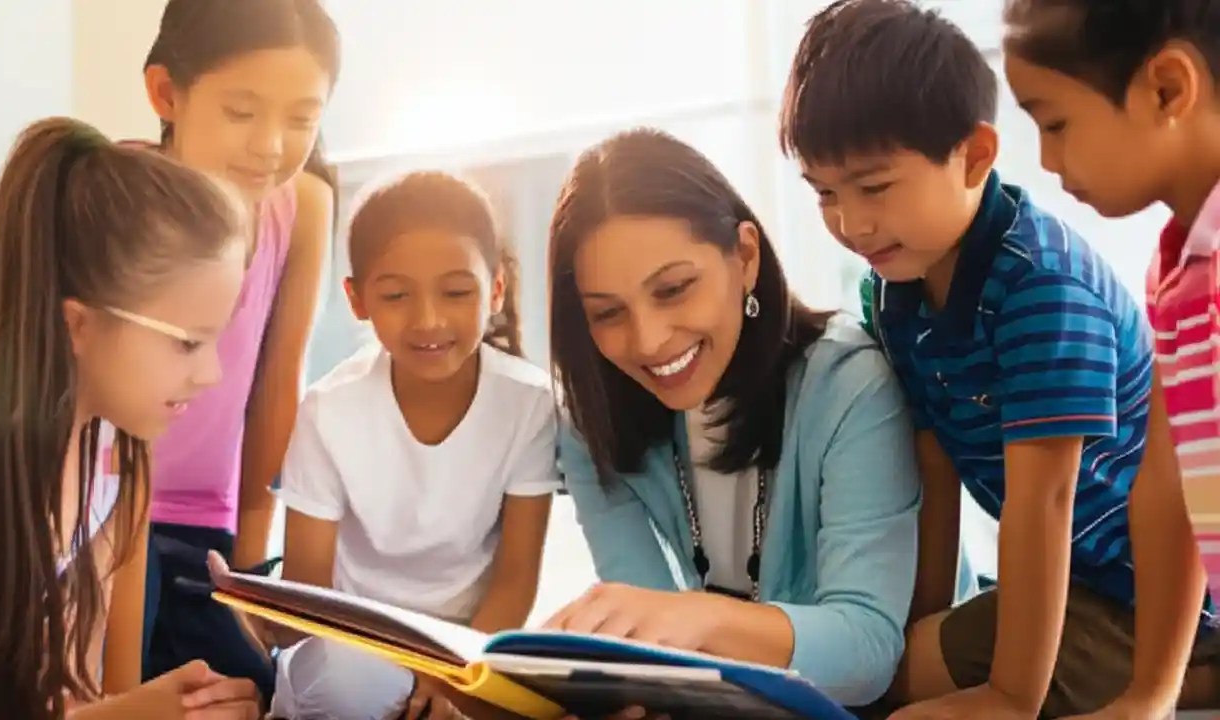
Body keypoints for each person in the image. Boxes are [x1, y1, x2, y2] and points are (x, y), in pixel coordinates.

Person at [780, 1, 1213, 717]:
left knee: (886, 675)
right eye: (825, 193)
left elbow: (1048, 500)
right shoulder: (896, 287)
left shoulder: (1042, 286)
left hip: (1143, 600)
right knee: (887, 661)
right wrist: (915, 628)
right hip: (1080, 587)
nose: (851, 224)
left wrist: (1013, 698)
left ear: (976, 156)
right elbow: (936, 463)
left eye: (875, 187)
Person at [543, 127, 922, 712]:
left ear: (745, 258)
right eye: (607, 312)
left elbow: (866, 651)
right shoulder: (591, 422)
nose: (647, 340)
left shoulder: (848, 382)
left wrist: (692, 619)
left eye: (673, 289)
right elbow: (649, 644)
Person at [0, 117, 259, 719]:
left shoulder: (116, 468)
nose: (212, 374)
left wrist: (183, 707)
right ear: (78, 324)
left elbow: (90, 697)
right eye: (189, 343)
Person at [266, 172, 558, 720]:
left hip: (471, 649)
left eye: (455, 292)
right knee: (348, 684)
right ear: (356, 299)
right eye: (397, 295)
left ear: (495, 289)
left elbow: (516, 579)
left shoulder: (528, 403)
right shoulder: (329, 410)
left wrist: (450, 679)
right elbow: (311, 594)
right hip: (353, 649)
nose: (428, 320)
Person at [1003, 3, 1220, 708]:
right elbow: (1167, 486)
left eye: (1055, 122)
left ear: (1166, 89)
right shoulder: (1177, 269)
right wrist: (1148, 694)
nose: (1044, 159)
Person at [137, 0, 340, 705]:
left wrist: (255, 571)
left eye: (300, 118)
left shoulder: (303, 206)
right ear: (168, 95)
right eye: (242, 111)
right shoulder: (118, 190)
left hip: (208, 525)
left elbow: (276, 382)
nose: (271, 146)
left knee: (247, 689)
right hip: (103, 516)